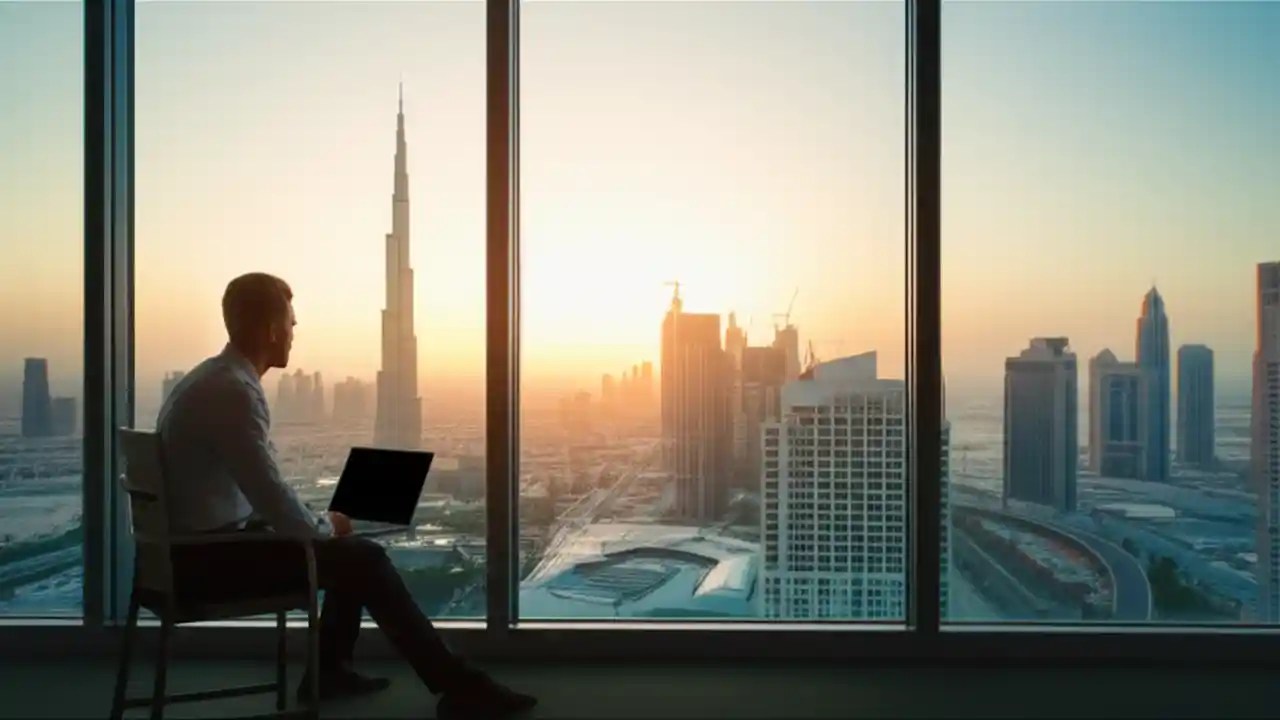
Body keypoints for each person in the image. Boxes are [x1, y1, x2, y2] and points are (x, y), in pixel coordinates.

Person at [157, 272, 536, 718]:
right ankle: (458, 685)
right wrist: (323, 525)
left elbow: (256, 491)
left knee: (347, 551)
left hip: (187, 553)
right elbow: (273, 498)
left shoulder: (210, 380)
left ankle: (330, 672)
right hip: (206, 564)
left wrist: (318, 525)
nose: (295, 335)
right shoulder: (233, 393)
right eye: (292, 324)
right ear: (271, 330)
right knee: (365, 558)